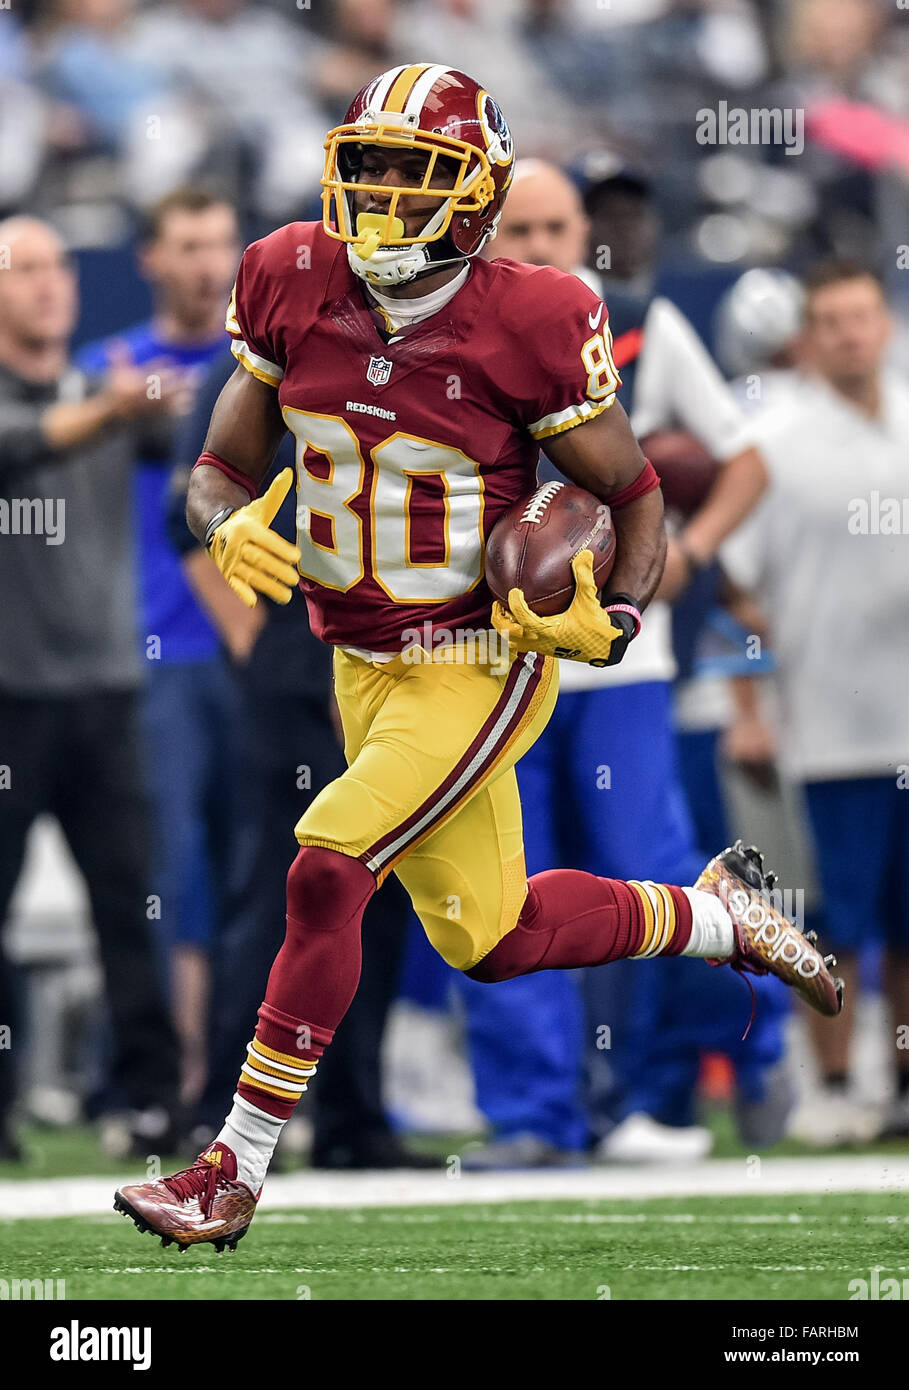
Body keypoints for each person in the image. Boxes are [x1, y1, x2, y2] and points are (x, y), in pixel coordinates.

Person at [112, 65, 841, 1251]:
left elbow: (638, 494)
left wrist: (613, 618)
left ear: (479, 191)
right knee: (490, 937)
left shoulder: (536, 313)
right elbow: (218, 466)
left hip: (472, 655)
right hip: (357, 662)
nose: (387, 196)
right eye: (372, 167)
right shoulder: (287, 270)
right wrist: (227, 520)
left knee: (324, 868)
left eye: (418, 172)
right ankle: (719, 919)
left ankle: (230, 1167)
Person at [454, 159, 791, 1169]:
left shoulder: (635, 321)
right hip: (489, 661)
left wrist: (686, 553)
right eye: (522, 230)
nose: (545, 247)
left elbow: (743, 459)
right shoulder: (438, 343)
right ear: (481, 236)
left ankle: (663, 1083)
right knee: (499, 891)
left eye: (560, 228)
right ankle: (537, 1114)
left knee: (648, 874)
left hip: (617, 669)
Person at [0, 215, 180, 1159]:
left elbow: (181, 457)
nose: (47, 284)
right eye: (24, 269)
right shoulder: (79, 399)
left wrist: (161, 402)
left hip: (107, 691)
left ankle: (149, 1101)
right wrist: (124, 402)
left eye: (57, 266)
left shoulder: (106, 392)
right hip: (10, 695)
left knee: (130, 904)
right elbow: (25, 444)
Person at [722, 260, 909, 1144]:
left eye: (861, 316)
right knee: (827, 923)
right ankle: (830, 1087)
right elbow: (729, 581)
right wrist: (749, 707)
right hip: (822, 727)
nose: (849, 334)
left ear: (884, 322)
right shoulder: (774, 439)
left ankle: (901, 1086)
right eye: (830, 320)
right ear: (808, 334)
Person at [78, 188, 242, 1107]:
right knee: (167, 876)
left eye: (220, 242)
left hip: (249, 647)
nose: (206, 262)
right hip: (156, 654)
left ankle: (246, 1081)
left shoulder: (257, 374)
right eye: (186, 244)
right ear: (149, 258)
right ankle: (173, 1080)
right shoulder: (107, 373)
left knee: (262, 869)